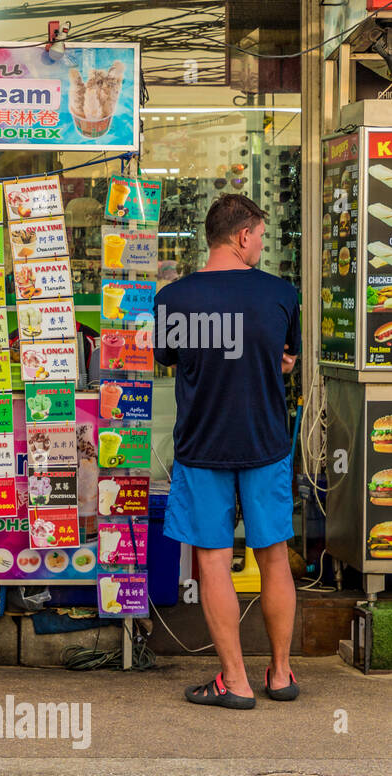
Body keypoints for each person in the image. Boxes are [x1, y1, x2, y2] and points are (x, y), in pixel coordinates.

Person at [155, 194, 300, 709]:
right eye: (260, 234)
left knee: (213, 558)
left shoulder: (174, 299)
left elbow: (171, 359)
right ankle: (280, 674)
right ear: (242, 237)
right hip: (266, 443)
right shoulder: (282, 294)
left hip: (202, 444)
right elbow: (284, 357)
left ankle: (234, 681)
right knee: (274, 553)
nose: (262, 243)